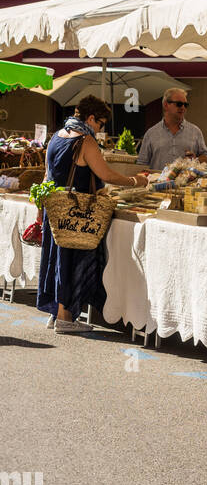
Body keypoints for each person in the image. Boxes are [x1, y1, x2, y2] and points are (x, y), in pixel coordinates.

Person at [38, 94, 148, 333]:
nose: (100, 129)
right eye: (100, 123)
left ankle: (56, 313)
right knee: (71, 261)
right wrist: (134, 180)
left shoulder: (56, 137)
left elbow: (46, 176)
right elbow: (106, 174)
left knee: (57, 260)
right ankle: (66, 319)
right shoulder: (85, 141)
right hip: (78, 213)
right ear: (90, 118)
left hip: (56, 210)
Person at [137, 88, 207, 169]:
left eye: (185, 105)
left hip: (186, 181)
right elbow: (141, 163)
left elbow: (206, 156)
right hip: (157, 181)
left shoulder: (195, 132)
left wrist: (195, 160)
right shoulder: (151, 133)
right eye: (179, 104)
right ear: (165, 105)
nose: (183, 107)